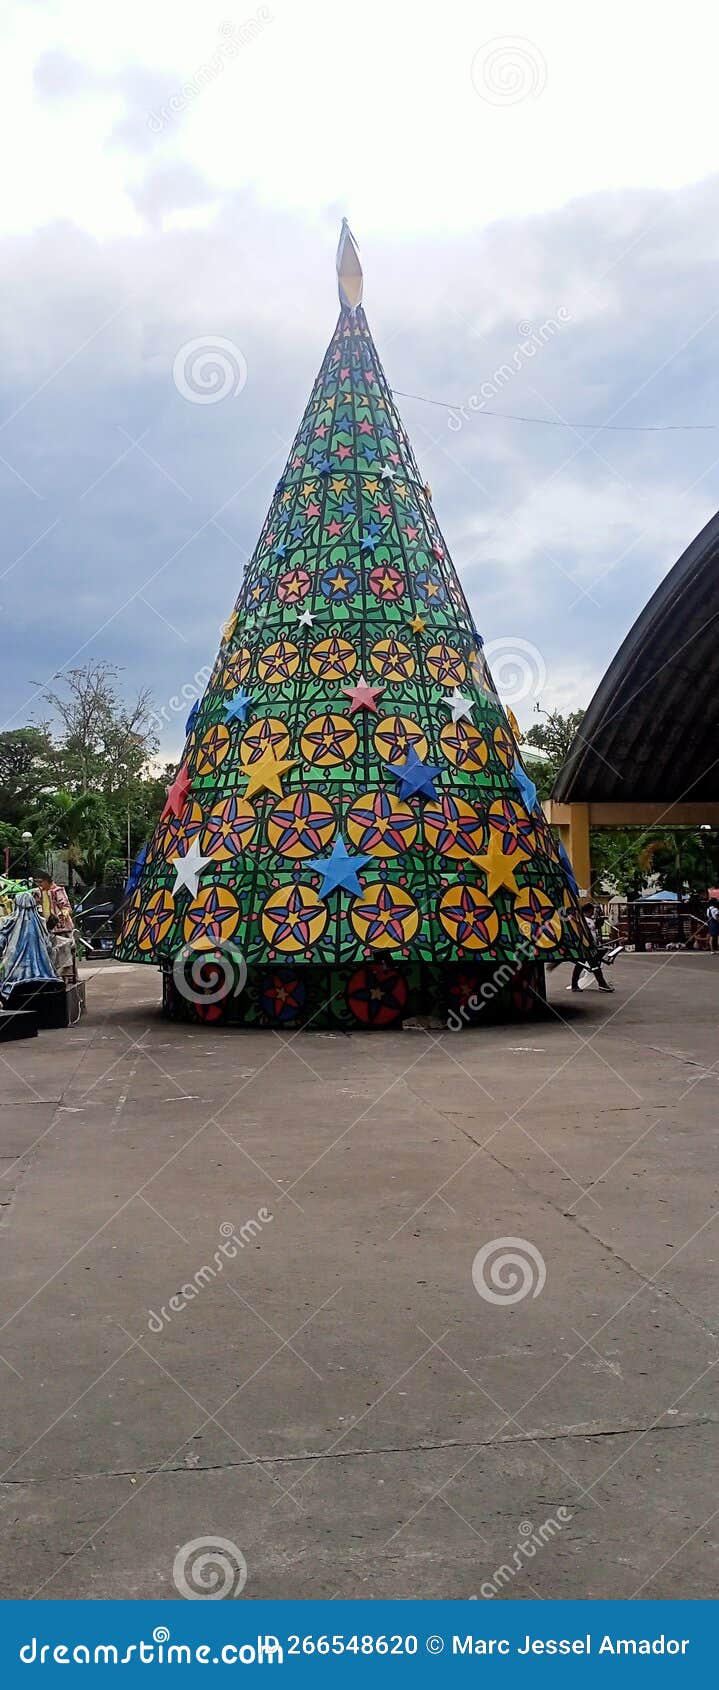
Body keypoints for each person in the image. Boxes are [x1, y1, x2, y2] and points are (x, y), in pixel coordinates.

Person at [569, 902, 615, 993]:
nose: (594, 912)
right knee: (592, 965)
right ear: (589, 910)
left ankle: (575, 985)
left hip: (589, 946)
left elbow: (593, 932)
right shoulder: (584, 920)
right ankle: (602, 984)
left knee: (581, 965)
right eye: (593, 910)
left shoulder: (588, 920)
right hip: (586, 947)